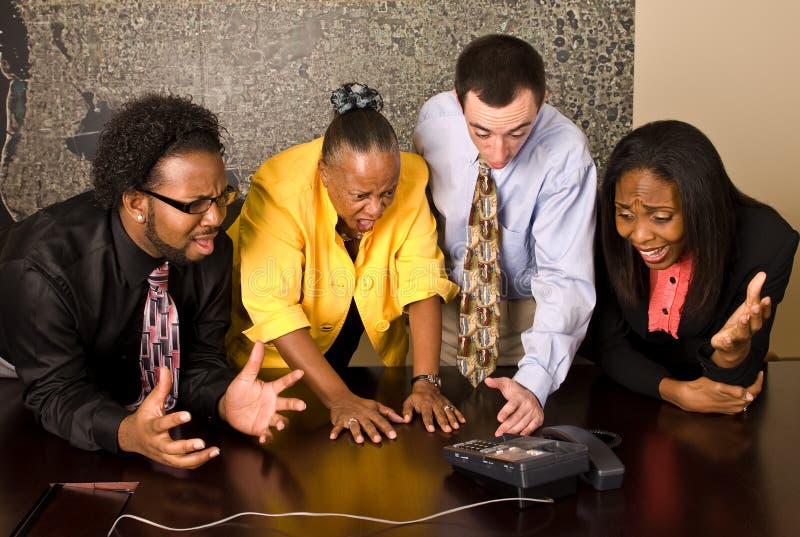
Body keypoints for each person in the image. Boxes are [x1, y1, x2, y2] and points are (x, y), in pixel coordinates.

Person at [0, 94, 307, 469]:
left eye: (221, 196)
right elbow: (54, 391)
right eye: (194, 203)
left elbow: (197, 361)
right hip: (17, 368)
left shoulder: (210, 250)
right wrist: (126, 431)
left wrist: (224, 399)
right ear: (135, 203)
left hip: (108, 372)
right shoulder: (42, 265)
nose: (214, 217)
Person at [227, 83, 461, 445]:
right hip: (280, 364)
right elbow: (274, 308)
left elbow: (423, 277)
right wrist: (339, 398)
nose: (376, 209)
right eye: (360, 196)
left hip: (350, 329)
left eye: (387, 193)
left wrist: (426, 383)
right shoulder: (278, 189)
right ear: (324, 173)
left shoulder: (412, 176)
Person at [413, 34, 597, 436]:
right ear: (458, 101)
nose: (498, 154)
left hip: (530, 323)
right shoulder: (433, 122)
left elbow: (564, 280)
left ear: (542, 100)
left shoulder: (566, 154)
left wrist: (535, 381)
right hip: (446, 317)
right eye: (481, 132)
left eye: (517, 132)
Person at [589, 119, 799, 414]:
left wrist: (731, 354)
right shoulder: (600, 224)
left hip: (714, 413)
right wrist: (676, 393)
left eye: (661, 217)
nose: (639, 236)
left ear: (702, 207)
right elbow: (604, 342)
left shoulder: (768, 243)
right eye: (625, 215)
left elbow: (736, 387)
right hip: (623, 392)